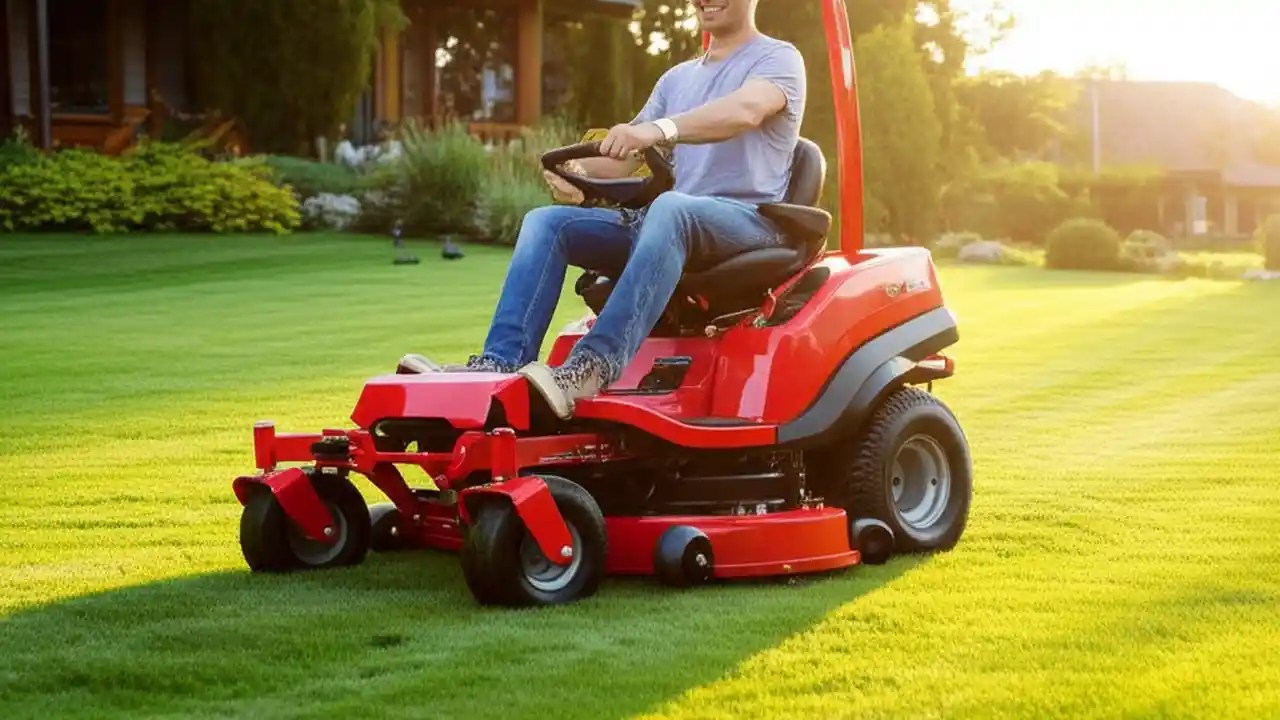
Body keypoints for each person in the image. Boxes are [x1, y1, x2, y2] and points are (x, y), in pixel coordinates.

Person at [401, 0, 806, 419]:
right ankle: (502, 362)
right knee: (547, 223)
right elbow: (627, 154)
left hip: (748, 222)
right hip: (672, 222)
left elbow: (745, 110)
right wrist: (571, 169)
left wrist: (658, 129)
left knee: (670, 208)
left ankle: (590, 367)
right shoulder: (678, 79)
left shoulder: (777, 59)